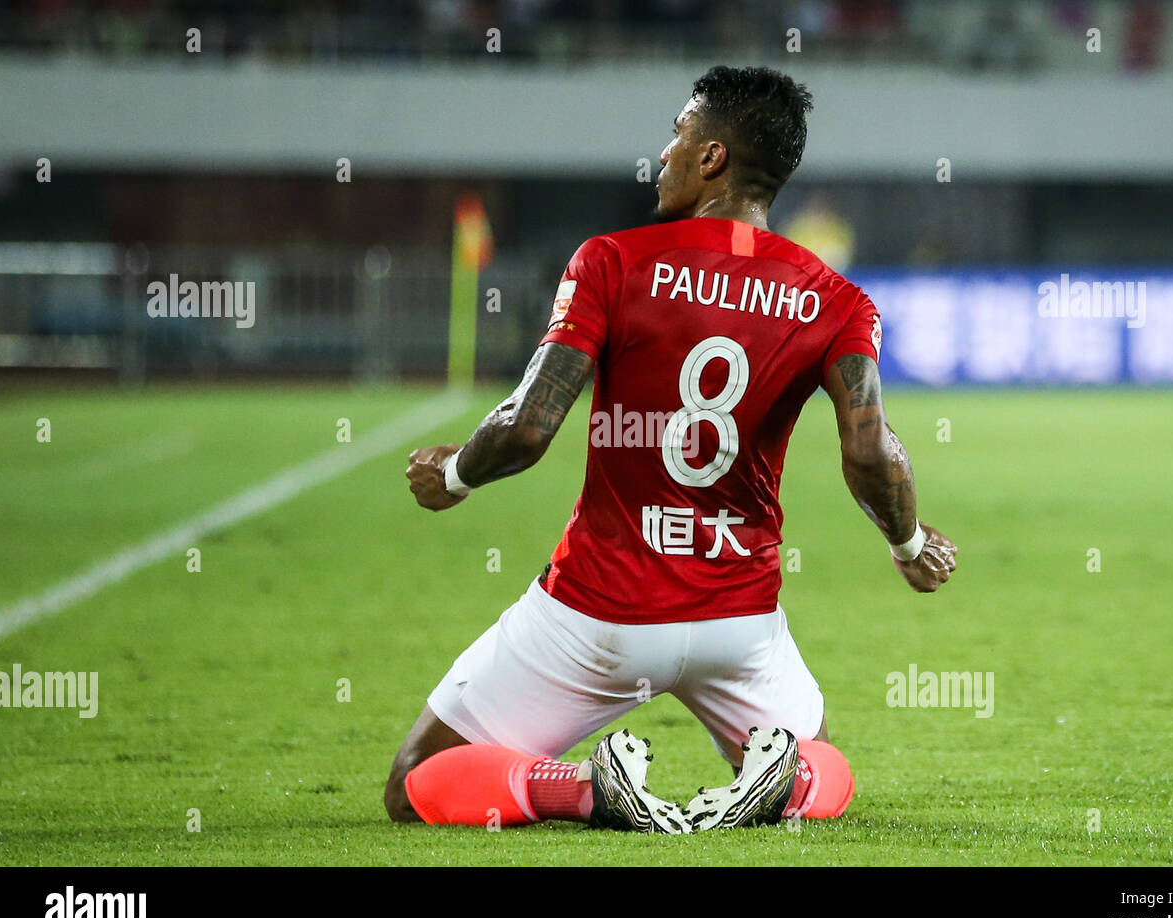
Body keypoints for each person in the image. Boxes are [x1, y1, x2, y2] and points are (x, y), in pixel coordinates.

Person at [388, 65, 958, 832]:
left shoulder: (612, 261)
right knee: (821, 769)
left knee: (417, 780)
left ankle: (585, 790)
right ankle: (781, 785)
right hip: (739, 622)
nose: (665, 152)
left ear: (713, 157)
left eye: (680, 135)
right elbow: (871, 451)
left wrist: (454, 474)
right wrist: (908, 541)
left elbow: (529, 424)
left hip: (598, 613)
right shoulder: (836, 300)